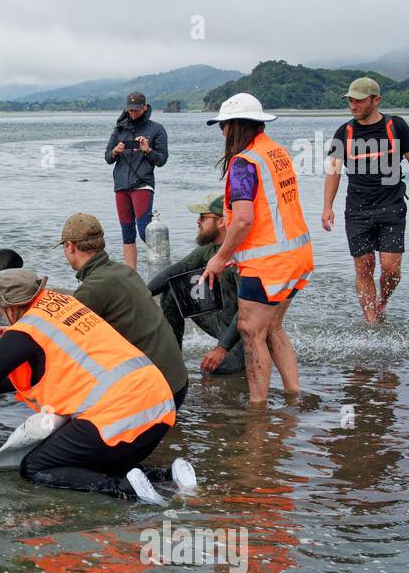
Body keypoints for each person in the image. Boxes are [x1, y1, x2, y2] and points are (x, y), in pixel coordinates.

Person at [0, 269, 193, 501]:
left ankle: (123, 488)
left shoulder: (24, 333)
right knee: (82, 460)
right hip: (160, 405)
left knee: (35, 466)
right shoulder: (66, 304)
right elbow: (33, 373)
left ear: (9, 309)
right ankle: (166, 477)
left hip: (123, 415)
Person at [201, 93, 315, 405]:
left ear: (235, 126)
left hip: (268, 263)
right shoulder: (275, 152)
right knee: (274, 327)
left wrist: (220, 258)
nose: (222, 133)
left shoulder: (244, 162)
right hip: (296, 256)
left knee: (251, 331)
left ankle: (257, 409)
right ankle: (294, 395)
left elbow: (242, 221)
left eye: (223, 126)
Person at [322, 77, 409, 323]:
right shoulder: (345, 132)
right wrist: (327, 207)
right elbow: (334, 170)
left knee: (391, 269)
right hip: (357, 209)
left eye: (358, 101)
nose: (353, 106)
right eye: (350, 100)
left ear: (376, 100)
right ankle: (371, 318)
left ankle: (383, 300)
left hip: (391, 206)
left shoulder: (396, 126)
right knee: (364, 265)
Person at [55, 212, 189, 405]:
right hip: (178, 382)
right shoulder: (124, 271)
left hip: (159, 394)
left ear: (70, 246)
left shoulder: (93, 288)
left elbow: (58, 340)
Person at [147, 195, 245, 375]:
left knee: (212, 370)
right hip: (219, 322)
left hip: (242, 336)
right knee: (172, 292)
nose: (197, 222)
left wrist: (222, 348)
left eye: (203, 217)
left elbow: (247, 311)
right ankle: (173, 358)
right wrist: (140, 297)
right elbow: (172, 273)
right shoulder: (208, 250)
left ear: (222, 221)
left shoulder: (240, 256)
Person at [103, 92, 169, 269]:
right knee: (127, 233)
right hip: (121, 186)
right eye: (130, 110)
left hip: (142, 185)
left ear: (145, 107)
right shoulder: (119, 129)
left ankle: (161, 267)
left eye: (137, 110)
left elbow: (162, 160)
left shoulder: (156, 129)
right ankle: (131, 275)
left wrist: (147, 150)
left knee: (144, 230)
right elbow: (108, 157)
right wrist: (116, 151)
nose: (133, 113)